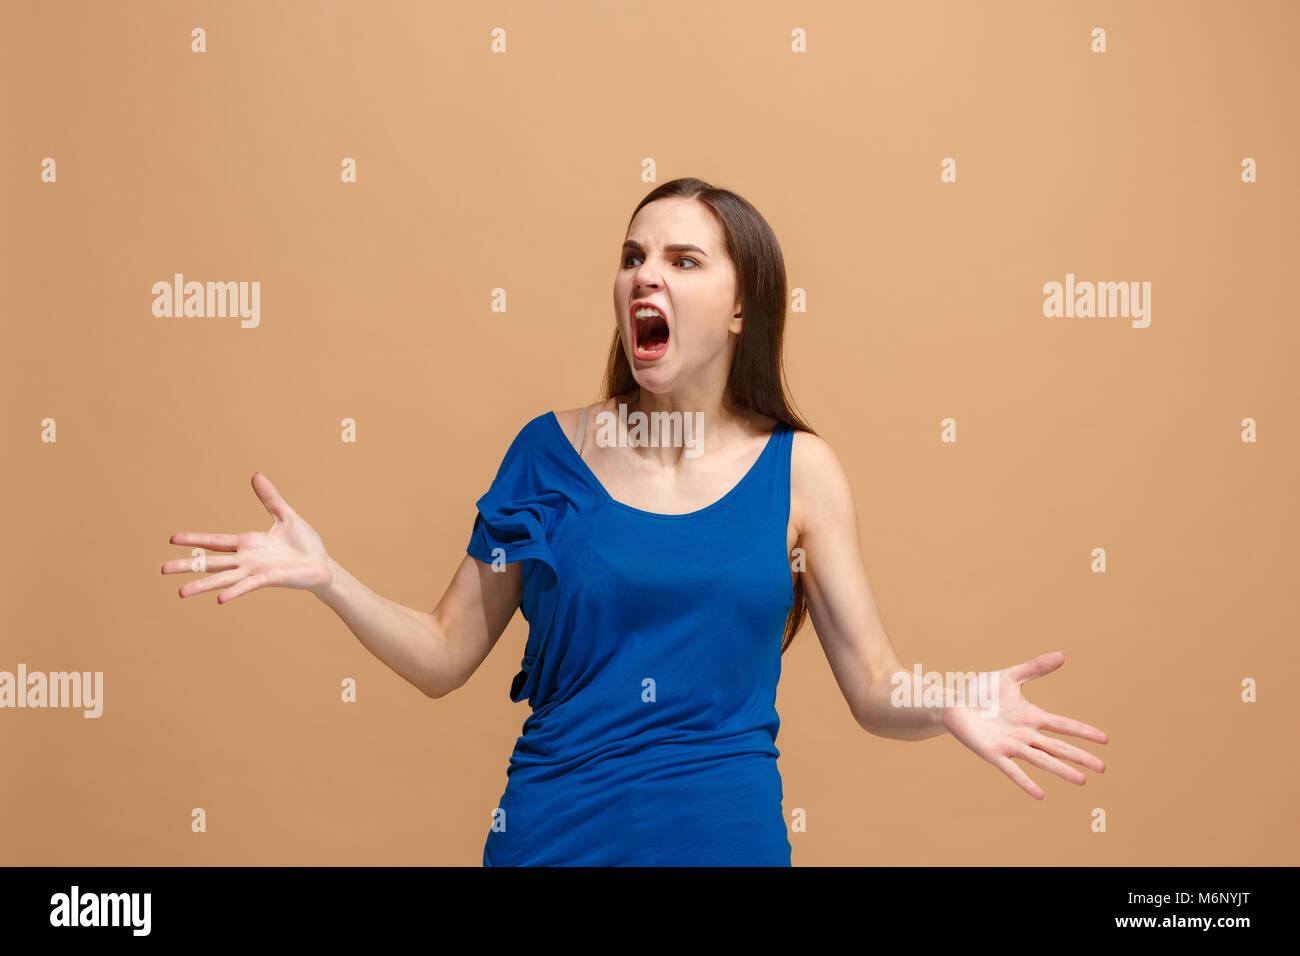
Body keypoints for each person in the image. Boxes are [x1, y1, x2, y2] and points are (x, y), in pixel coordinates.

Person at [161, 177, 1108, 866]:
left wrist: (948, 697)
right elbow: (445, 655)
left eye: (682, 260)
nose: (643, 276)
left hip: (727, 843)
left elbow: (874, 684)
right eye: (632, 256)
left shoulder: (799, 472)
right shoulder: (546, 453)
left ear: (742, 308)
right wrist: (331, 580)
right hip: (550, 840)